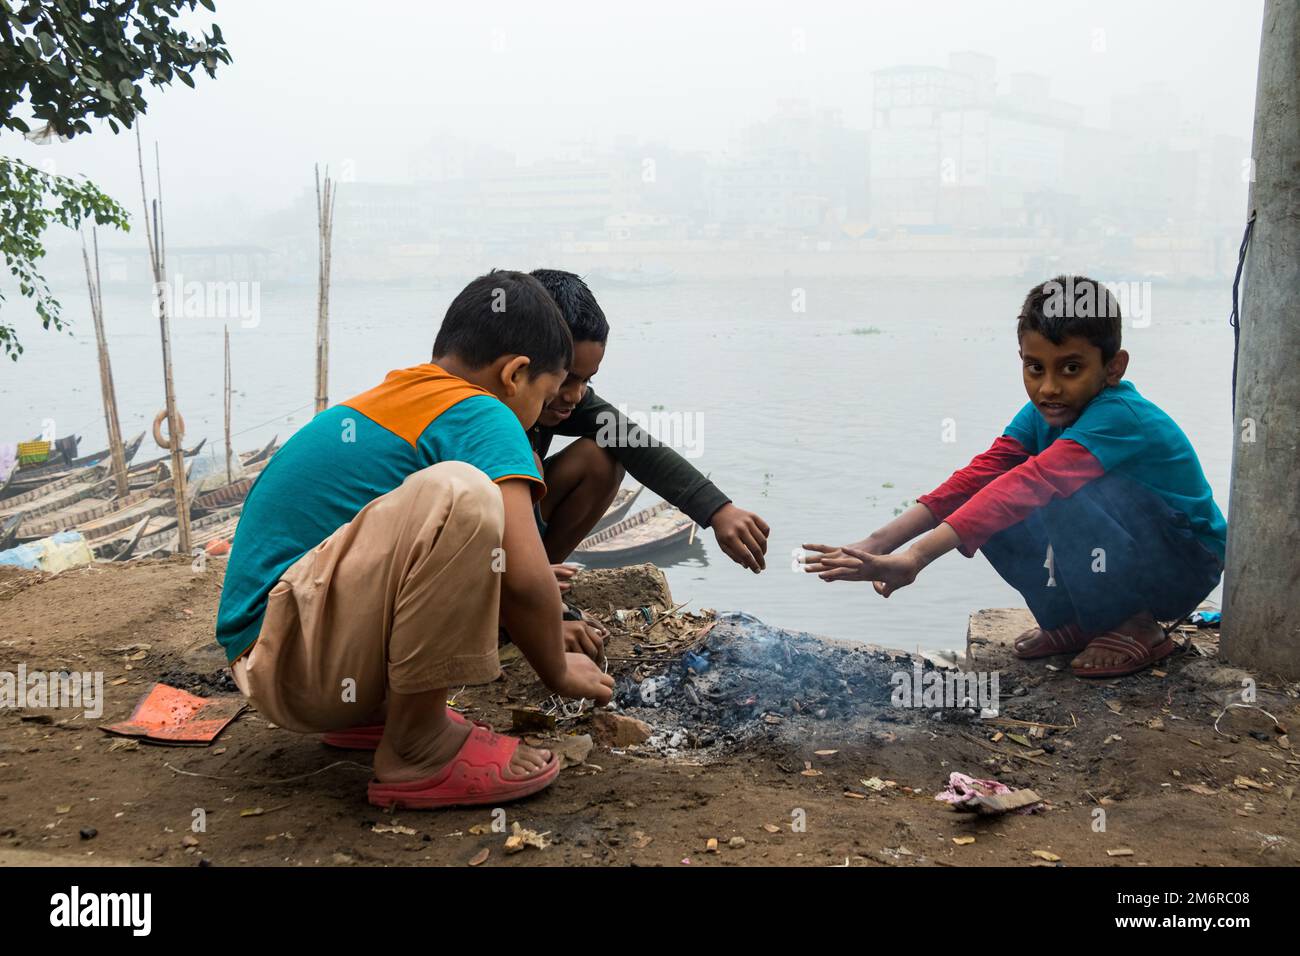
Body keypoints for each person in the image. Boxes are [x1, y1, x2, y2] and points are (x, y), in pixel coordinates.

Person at [215, 270, 614, 810]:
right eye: (546, 393)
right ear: (516, 374)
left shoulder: (406, 394)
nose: (541, 413)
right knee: (465, 495)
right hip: (295, 663)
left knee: (462, 505)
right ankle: (418, 748)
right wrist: (557, 667)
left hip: (280, 657)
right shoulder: (484, 412)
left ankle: (383, 714)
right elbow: (524, 572)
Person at [803, 275, 1225, 679]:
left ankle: (1135, 625)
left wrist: (916, 559)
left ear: (1113, 367)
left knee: (1043, 489)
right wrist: (878, 544)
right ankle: (1073, 620)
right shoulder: (1044, 414)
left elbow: (1033, 482)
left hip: (1182, 562)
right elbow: (980, 475)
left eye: (1071, 368)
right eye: (1035, 368)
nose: (1049, 388)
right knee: (990, 489)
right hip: (1130, 550)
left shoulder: (1119, 415)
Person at [527, 268, 771, 573]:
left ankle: (543, 577)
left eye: (586, 381)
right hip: (476, 549)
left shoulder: (561, 398)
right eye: (566, 379)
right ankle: (526, 592)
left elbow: (632, 441)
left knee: (602, 457)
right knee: (530, 464)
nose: (575, 395)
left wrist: (718, 509)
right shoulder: (485, 412)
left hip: (517, 542)